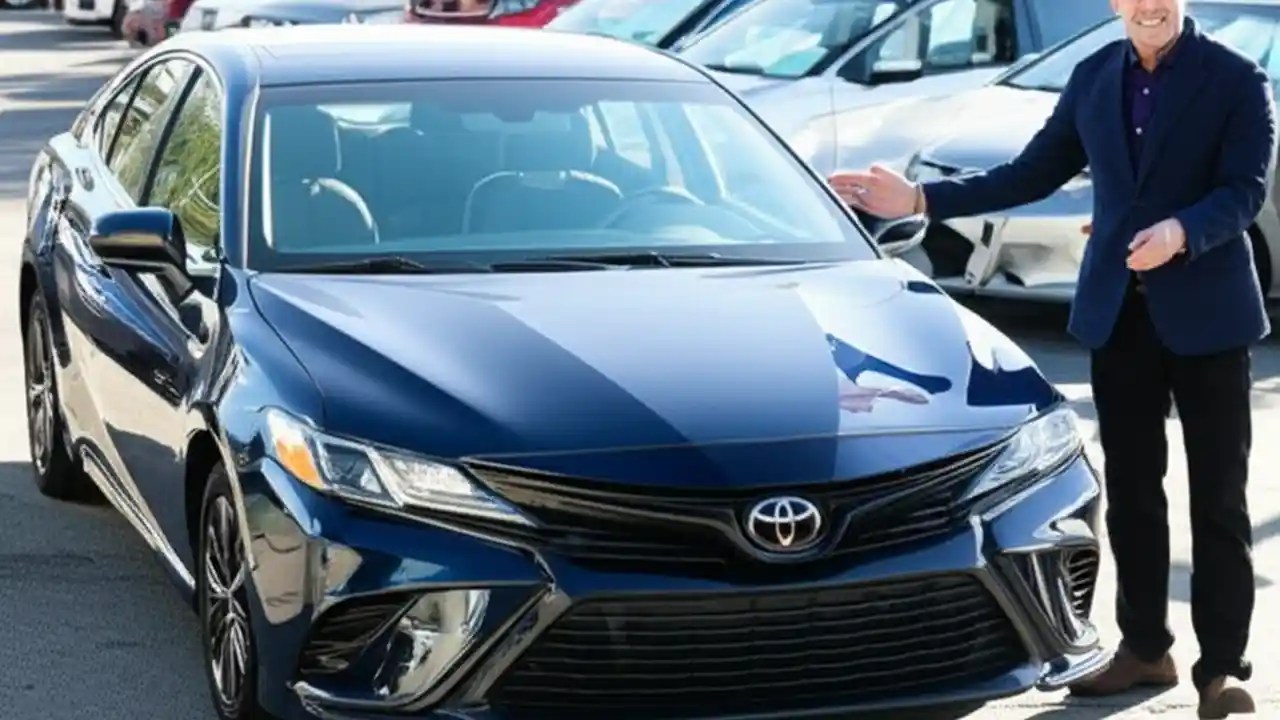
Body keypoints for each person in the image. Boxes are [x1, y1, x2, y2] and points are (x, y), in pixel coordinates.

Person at [828, 0, 1274, 716]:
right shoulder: (1094, 75)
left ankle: (1222, 667)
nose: (1150, 6)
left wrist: (1183, 233)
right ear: (1116, 4)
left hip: (1209, 320)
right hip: (1117, 315)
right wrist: (919, 195)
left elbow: (1245, 190)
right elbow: (1031, 173)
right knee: (1131, 492)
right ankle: (1145, 647)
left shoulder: (1236, 77)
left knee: (1218, 499)